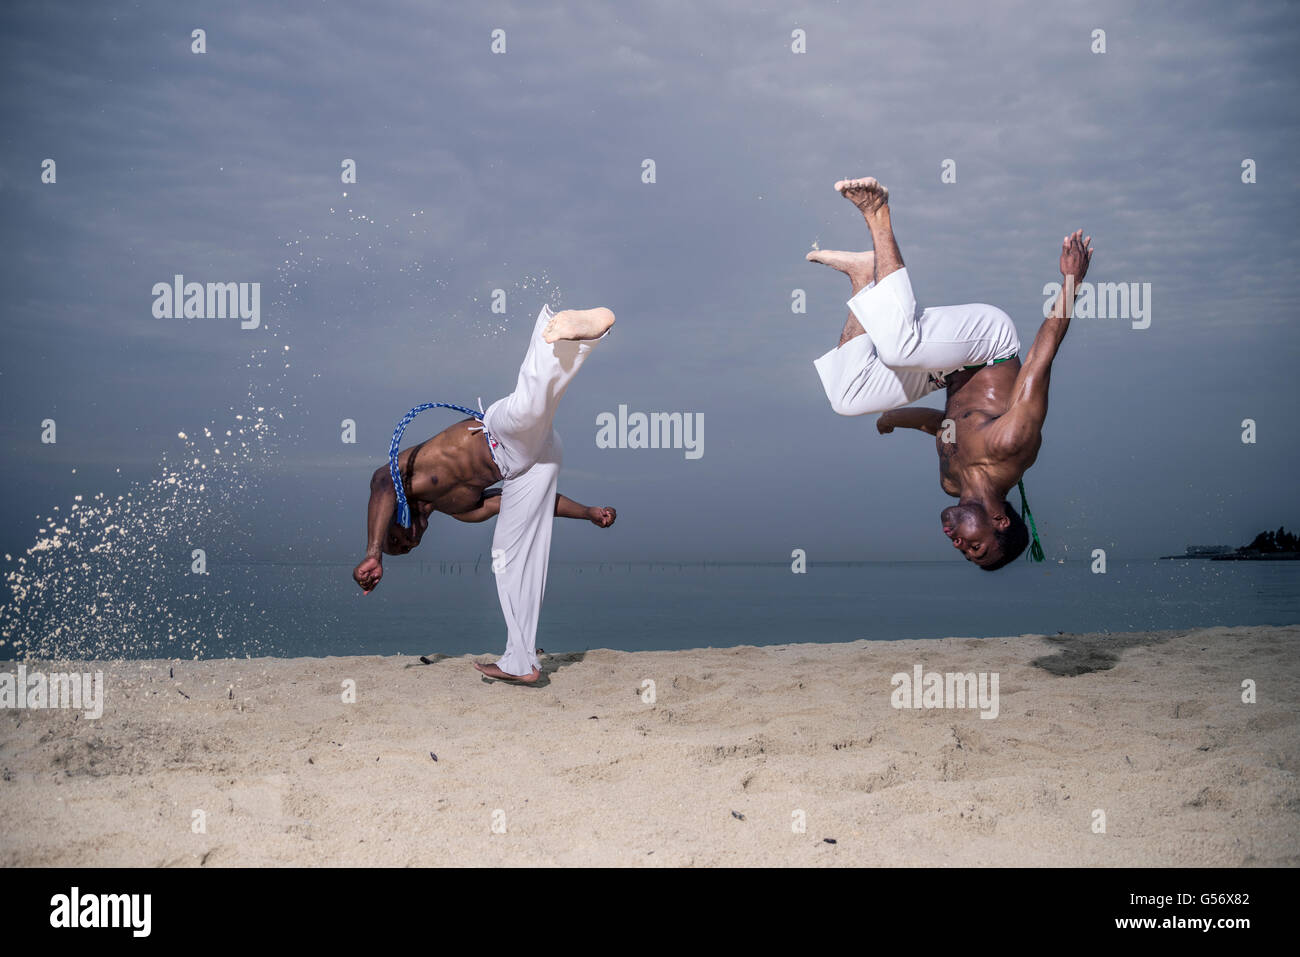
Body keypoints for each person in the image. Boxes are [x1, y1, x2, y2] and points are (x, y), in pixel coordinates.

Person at [807, 177, 1092, 569]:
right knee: (899, 346)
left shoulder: (951, 483)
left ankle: (864, 278)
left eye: (964, 553)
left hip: (946, 371)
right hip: (987, 344)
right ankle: (877, 213)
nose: (960, 545)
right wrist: (1071, 281)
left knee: (846, 397)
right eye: (976, 547)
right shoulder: (1012, 445)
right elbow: (1040, 360)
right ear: (999, 522)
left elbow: (949, 426)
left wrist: (896, 418)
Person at [352, 304, 617, 681]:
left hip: (498, 434)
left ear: (394, 521)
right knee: (508, 557)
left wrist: (374, 553)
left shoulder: (407, 475)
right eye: (407, 548)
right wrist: (588, 511)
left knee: (529, 406)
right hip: (528, 463)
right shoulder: (462, 509)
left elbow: (380, 483)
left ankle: (566, 333)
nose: (412, 542)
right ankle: (520, 661)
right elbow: (532, 505)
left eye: (400, 539)